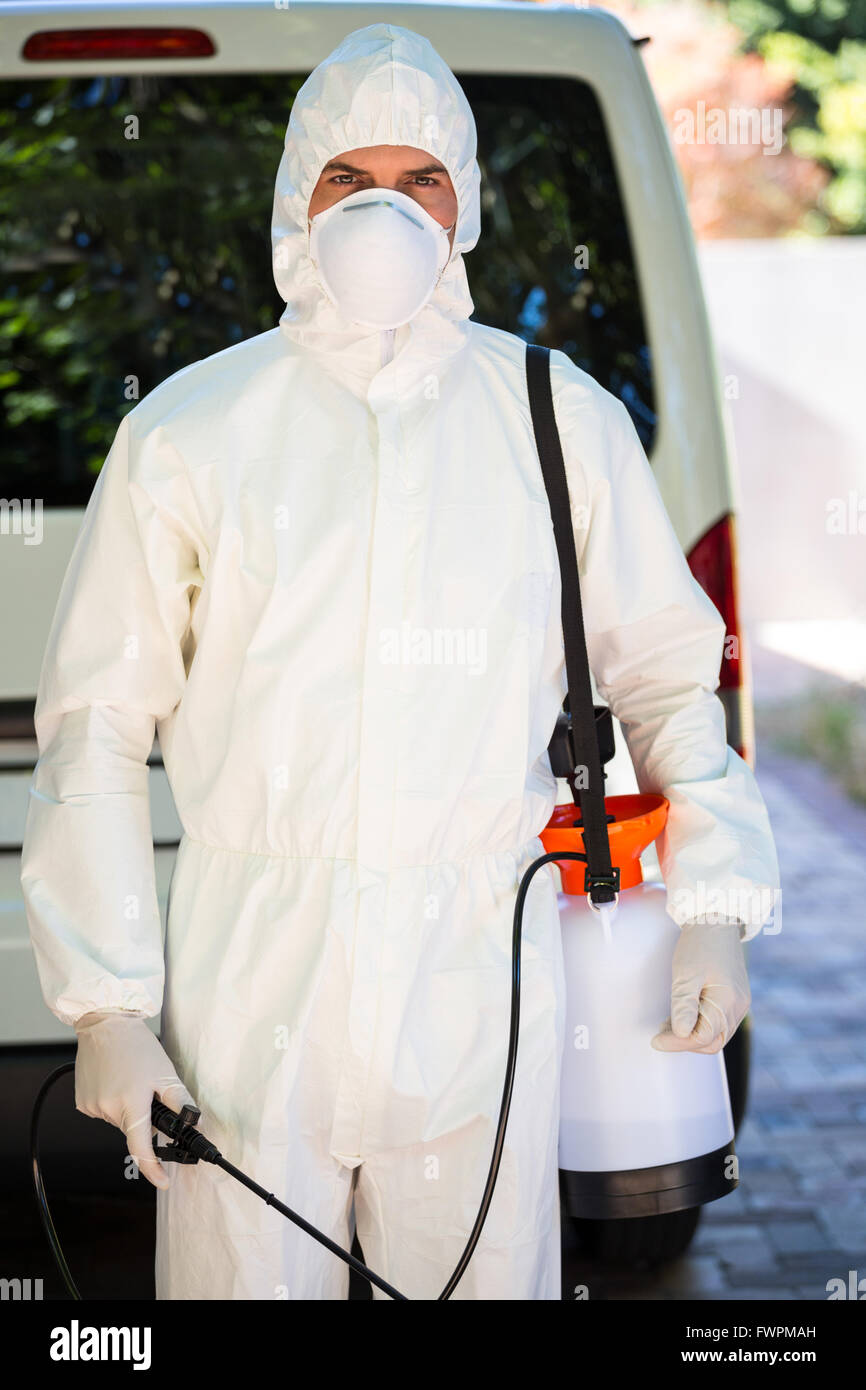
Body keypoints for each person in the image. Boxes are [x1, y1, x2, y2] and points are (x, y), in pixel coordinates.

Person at [20, 23, 779, 1301]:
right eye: (347, 180)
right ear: (294, 203)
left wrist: (709, 910)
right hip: (251, 984)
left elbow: (661, 677)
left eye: (419, 178)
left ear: (463, 203)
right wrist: (109, 1005)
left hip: (484, 967)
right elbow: (97, 721)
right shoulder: (192, 432)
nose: (385, 209)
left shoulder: (558, 417)